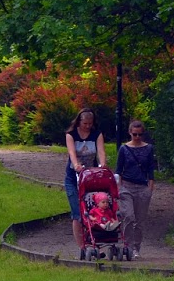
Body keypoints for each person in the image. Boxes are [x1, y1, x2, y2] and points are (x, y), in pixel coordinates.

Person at [64, 108, 106, 251]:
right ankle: (82, 246)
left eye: (90, 123)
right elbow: (71, 152)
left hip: (91, 176)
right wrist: (76, 165)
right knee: (78, 212)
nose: (87, 126)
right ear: (79, 121)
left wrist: (103, 164)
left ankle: (94, 240)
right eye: (85, 123)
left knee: (94, 208)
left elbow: (101, 151)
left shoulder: (96, 134)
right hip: (73, 177)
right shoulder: (71, 135)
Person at [115, 119, 157, 259]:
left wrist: (150, 187)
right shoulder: (124, 149)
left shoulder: (148, 148)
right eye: (135, 134)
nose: (137, 137)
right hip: (126, 186)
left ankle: (136, 248)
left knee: (140, 220)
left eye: (140, 134)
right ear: (130, 133)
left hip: (143, 187)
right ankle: (128, 246)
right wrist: (119, 187)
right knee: (128, 216)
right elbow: (118, 170)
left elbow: (151, 169)